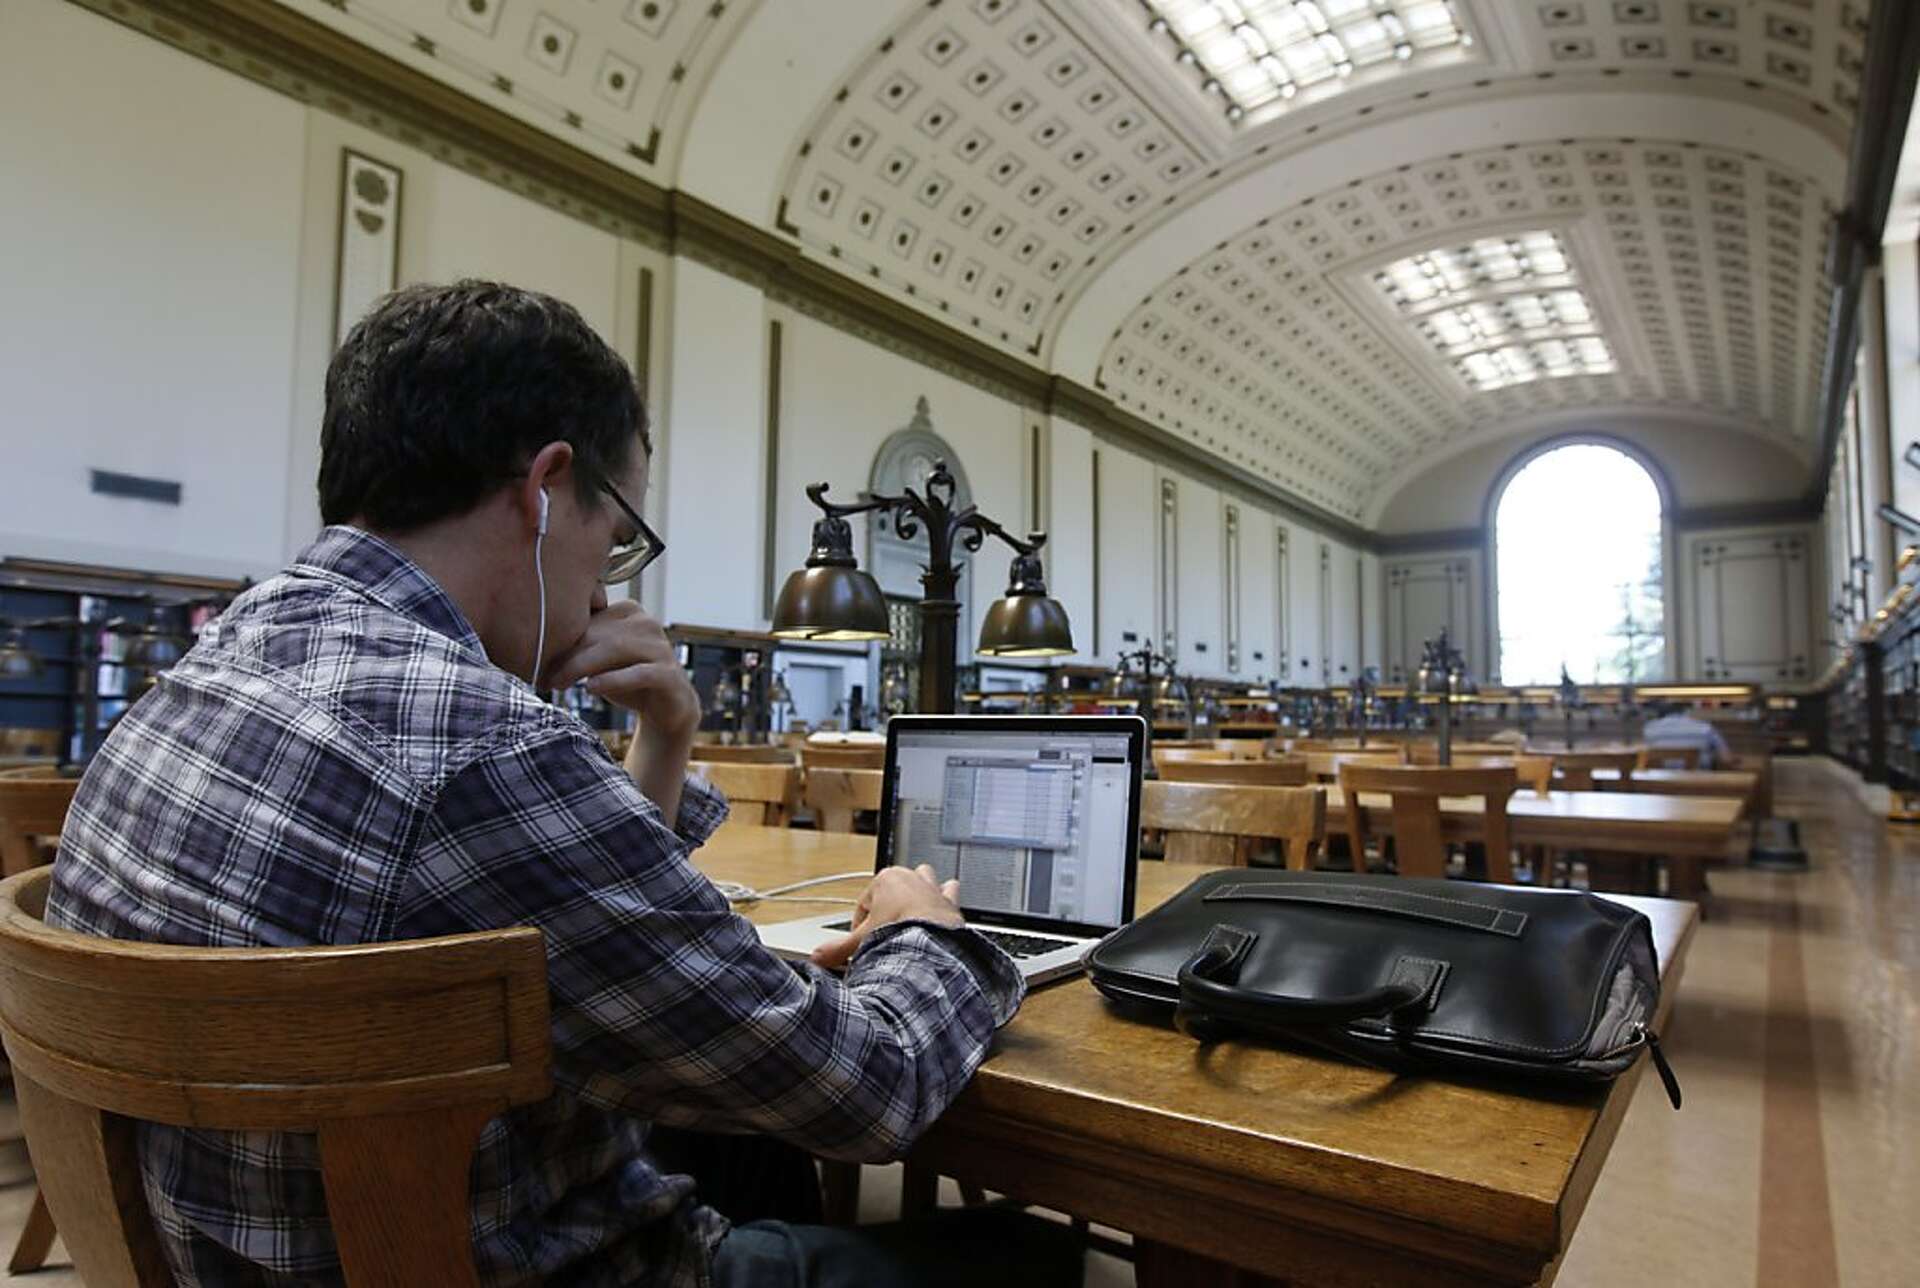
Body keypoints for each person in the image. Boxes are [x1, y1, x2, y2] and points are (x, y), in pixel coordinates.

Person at [48, 281, 1080, 1287]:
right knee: (1037, 1259)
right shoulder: (483, 740)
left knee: (739, 1153)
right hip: (495, 1254)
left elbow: (572, 920)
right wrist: (922, 930)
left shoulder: (202, 669)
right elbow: (870, 1090)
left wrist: (669, 733)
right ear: (544, 491)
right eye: (616, 541)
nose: (603, 585)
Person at [1639, 701, 1734, 768]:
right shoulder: (1705, 728)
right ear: (1686, 711)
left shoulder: (1649, 729)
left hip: (1659, 788)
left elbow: (1641, 760)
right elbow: (1727, 759)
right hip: (1699, 786)